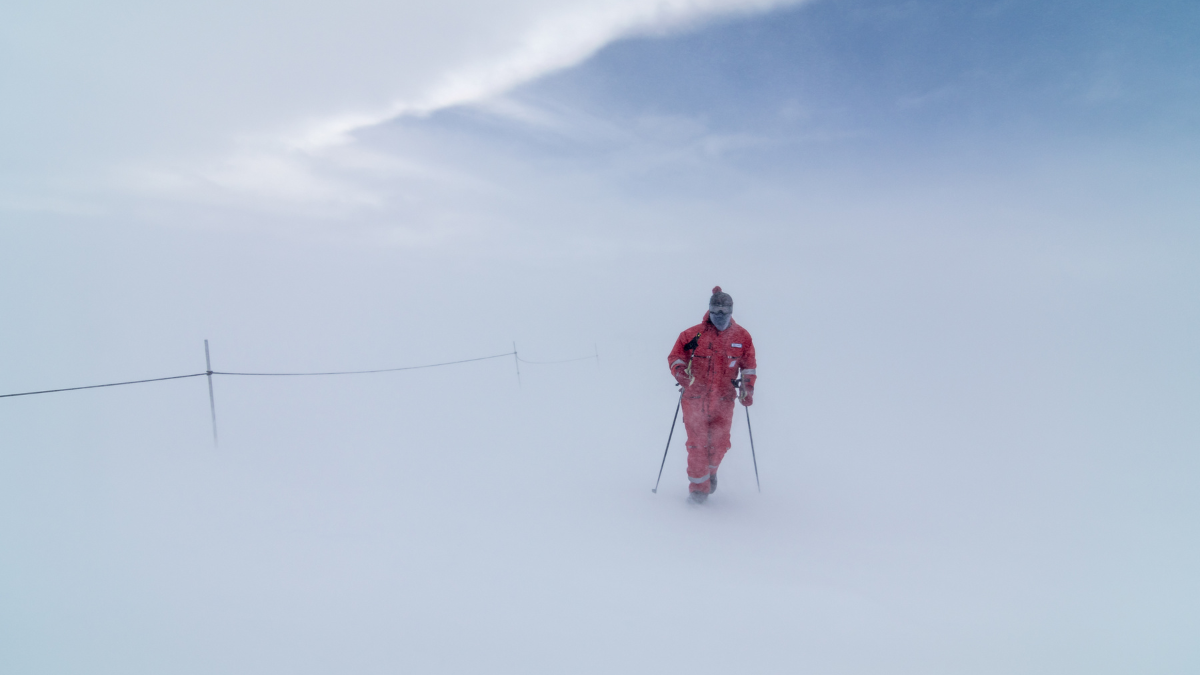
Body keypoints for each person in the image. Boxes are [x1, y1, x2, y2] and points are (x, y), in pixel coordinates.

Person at [667, 286, 756, 504]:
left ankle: (711, 472)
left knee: (720, 443)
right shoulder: (692, 335)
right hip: (695, 399)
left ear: (731, 311)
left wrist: (747, 389)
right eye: (715, 312)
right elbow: (676, 357)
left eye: (724, 312)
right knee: (697, 445)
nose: (719, 317)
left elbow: (749, 367)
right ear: (709, 311)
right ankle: (698, 491)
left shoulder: (742, 337)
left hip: (724, 400)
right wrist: (681, 374)